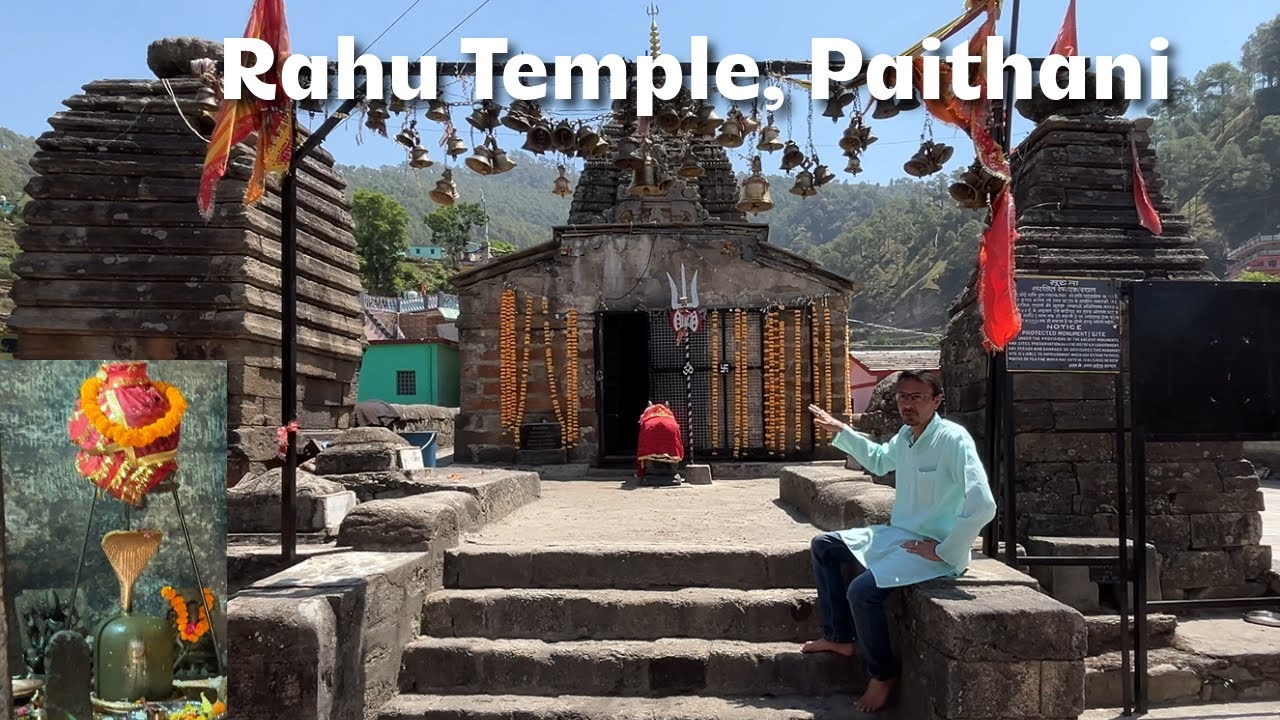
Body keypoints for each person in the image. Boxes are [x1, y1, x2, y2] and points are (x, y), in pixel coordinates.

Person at [803, 370, 996, 713]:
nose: (908, 404)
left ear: (937, 401)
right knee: (824, 546)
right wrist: (842, 431)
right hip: (902, 535)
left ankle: (882, 674)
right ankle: (838, 637)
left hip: (933, 548)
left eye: (917, 397)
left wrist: (944, 550)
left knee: (862, 593)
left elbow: (983, 503)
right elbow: (879, 460)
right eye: (903, 396)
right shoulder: (907, 436)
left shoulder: (953, 439)